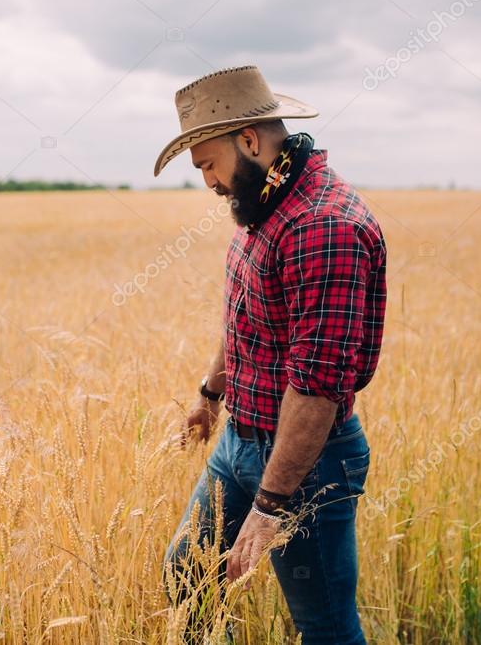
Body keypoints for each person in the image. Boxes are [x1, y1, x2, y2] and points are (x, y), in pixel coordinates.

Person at [155, 65, 387, 644]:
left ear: (250, 141)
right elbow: (246, 316)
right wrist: (211, 397)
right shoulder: (264, 202)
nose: (207, 181)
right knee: (187, 573)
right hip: (240, 441)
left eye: (208, 163)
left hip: (306, 465)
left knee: (325, 627)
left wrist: (270, 505)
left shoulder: (322, 227)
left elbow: (316, 387)